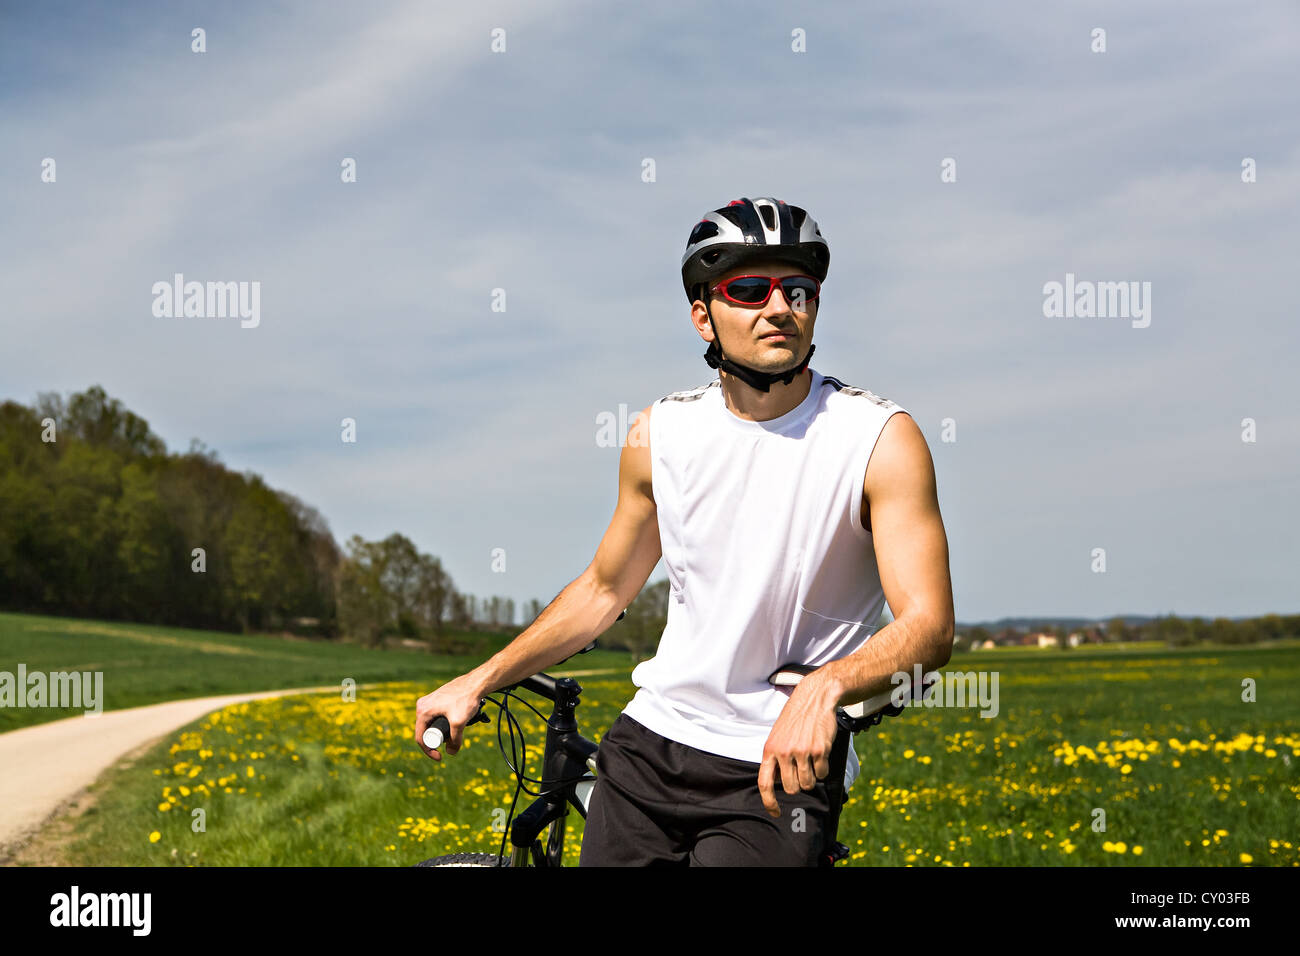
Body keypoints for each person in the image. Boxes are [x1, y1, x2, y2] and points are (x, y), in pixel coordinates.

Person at [415, 196, 955, 866]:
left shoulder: (879, 438)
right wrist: (480, 678)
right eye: (749, 290)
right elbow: (603, 590)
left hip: (777, 762)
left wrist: (826, 687)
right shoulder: (660, 434)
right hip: (652, 744)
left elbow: (929, 625)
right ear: (703, 315)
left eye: (797, 290)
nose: (779, 307)